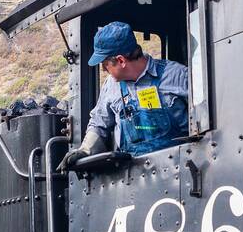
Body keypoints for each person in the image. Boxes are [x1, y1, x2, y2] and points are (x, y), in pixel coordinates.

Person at [61, 21, 190, 170]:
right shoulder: (111, 85)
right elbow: (99, 123)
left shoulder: (178, 75)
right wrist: (85, 151)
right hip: (132, 176)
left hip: (179, 169)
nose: (103, 70)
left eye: (105, 64)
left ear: (121, 60)